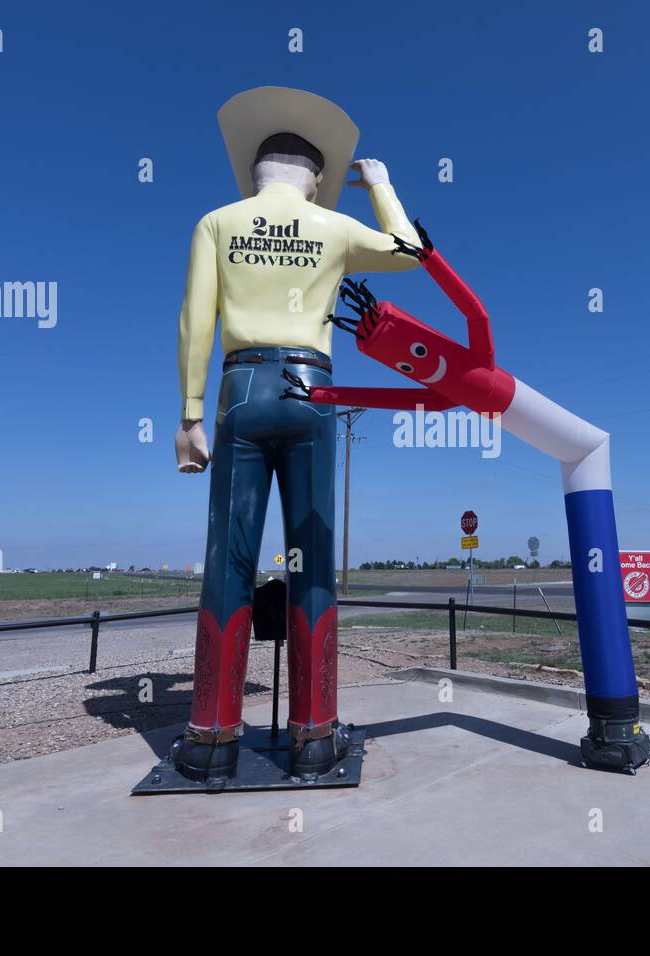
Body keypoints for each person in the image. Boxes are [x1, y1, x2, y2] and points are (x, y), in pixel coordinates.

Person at [172, 86, 420, 780]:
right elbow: (411, 251)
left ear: (256, 175)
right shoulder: (333, 227)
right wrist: (382, 185)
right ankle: (315, 734)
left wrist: (191, 415)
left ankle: (210, 738)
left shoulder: (217, 223)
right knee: (310, 558)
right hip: (313, 389)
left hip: (240, 385)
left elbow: (196, 321)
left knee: (228, 560)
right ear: (314, 180)